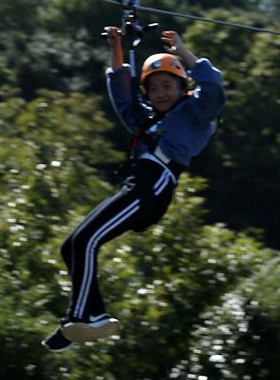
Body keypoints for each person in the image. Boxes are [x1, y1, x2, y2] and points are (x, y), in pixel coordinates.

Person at [43, 28, 226, 351]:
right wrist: (116, 46)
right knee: (71, 245)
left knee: (86, 241)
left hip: (154, 184)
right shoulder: (146, 120)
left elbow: (212, 88)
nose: (160, 93)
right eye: (153, 88)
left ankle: (80, 317)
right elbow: (122, 93)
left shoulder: (195, 115)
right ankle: (94, 314)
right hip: (138, 183)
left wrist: (183, 52)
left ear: (183, 88)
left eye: (168, 86)